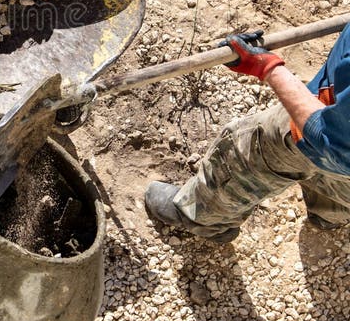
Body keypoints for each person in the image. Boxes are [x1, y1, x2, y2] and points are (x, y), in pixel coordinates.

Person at [144, 25, 350, 243]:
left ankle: (204, 218)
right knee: (340, 177)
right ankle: (330, 213)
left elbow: (331, 140)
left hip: (330, 130)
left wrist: (267, 67)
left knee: (246, 154)